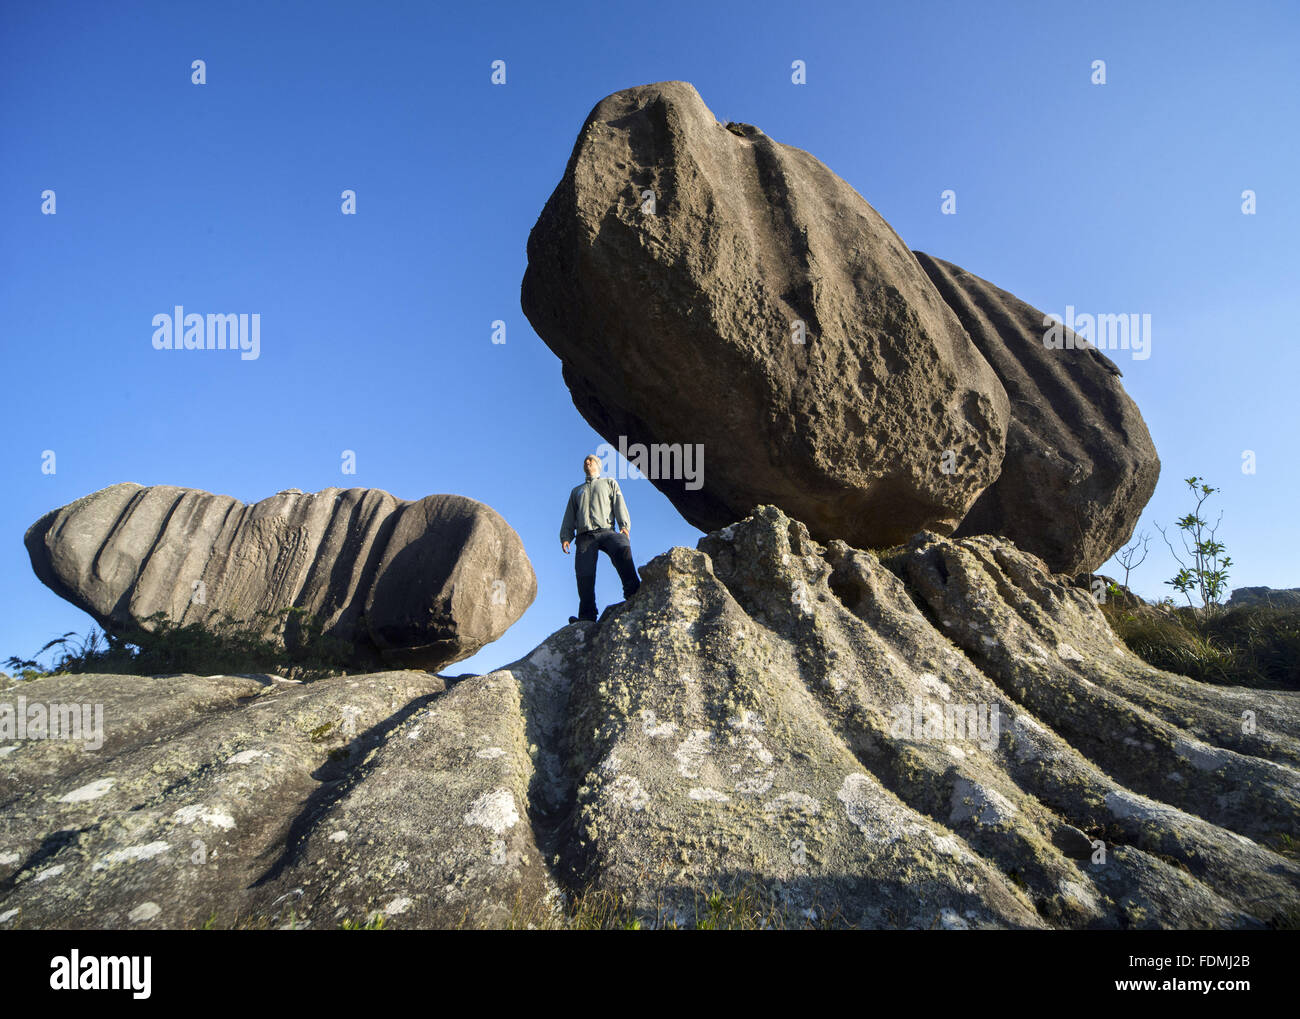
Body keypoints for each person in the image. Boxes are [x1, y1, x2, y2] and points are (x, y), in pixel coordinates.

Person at [560, 454, 642, 622]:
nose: (587, 462)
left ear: (598, 464)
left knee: (622, 547)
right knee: (584, 573)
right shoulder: (577, 491)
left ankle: (633, 592)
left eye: (590, 460)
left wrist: (624, 526)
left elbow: (619, 503)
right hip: (584, 536)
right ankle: (587, 616)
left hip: (607, 531)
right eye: (585, 461)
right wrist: (566, 536)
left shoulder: (609, 483)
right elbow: (569, 515)